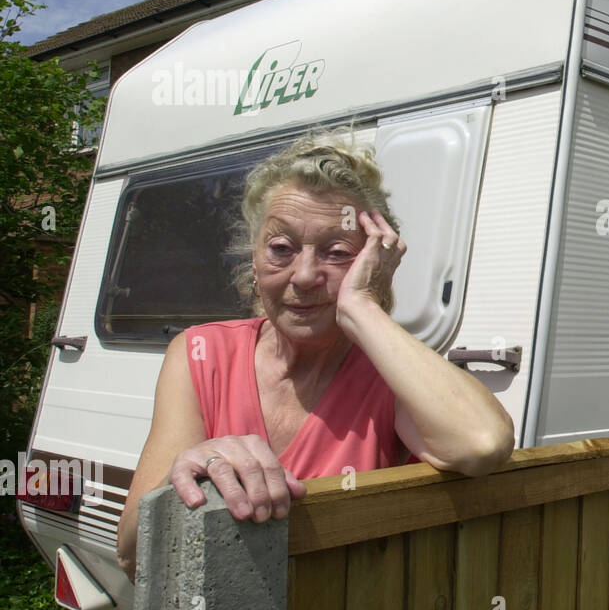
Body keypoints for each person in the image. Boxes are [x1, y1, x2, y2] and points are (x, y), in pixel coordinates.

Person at [116, 129, 515, 582]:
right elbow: (130, 552)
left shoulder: (386, 373)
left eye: (337, 252)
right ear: (254, 256)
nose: (304, 275)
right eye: (281, 248)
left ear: (372, 261)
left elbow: (483, 444)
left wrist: (364, 304)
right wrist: (184, 474)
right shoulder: (200, 353)